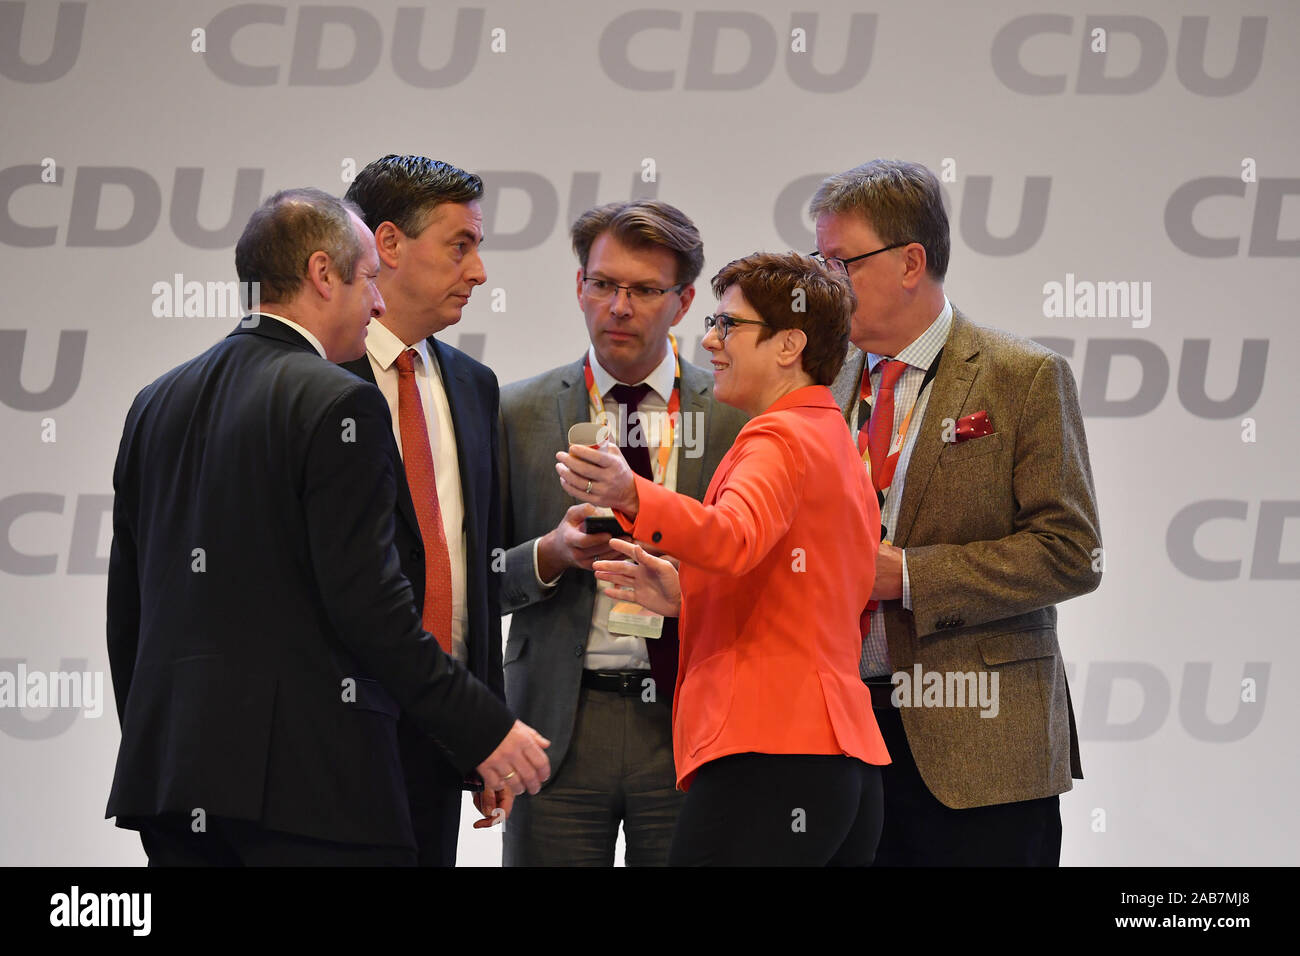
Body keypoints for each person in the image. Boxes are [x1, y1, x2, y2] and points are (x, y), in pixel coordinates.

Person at [105, 188, 549, 866]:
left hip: (170, 781)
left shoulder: (155, 401)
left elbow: (128, 612)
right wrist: (484, 727)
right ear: (321, 274)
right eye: (369, 278)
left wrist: (153, 744)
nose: (376, 302)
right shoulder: (341, 400)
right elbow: (370, 606)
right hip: (311, 792)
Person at [812, 159, 1102, 866]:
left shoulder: (1022, 376)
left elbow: (1070, 551)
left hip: (981, 748)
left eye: (838, 262)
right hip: (840, 740)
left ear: (911, 262)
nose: (821, 284)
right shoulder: (818, 383)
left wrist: (908, 575)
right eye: (816, 263)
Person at [564, 251, 890, 866]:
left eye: (728, 325)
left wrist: (631, 492)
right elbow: (808, 586)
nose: (709, 340)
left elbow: (736, 537)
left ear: (789, 343)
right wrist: (688, 596)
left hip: (771, 756)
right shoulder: (834, 438)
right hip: (843, 765)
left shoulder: (777, 437)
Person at [497, 200, 748, 866]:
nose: (619, 306)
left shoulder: (735, 419)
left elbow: (759, 567)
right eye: (603, 284)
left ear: (685, 301)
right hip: (555, 727)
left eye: (643, 290)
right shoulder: (514, 412)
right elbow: (473, 576)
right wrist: (548, 555)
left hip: (687, 727)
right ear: (579, 286)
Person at [342, 155, 511, 865]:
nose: (477, 273)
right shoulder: (309, 381)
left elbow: (477, 568)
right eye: (460, 246)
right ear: (387, 244)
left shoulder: (474, 385)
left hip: (444, 737)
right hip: (336, 738)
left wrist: (485, 726)